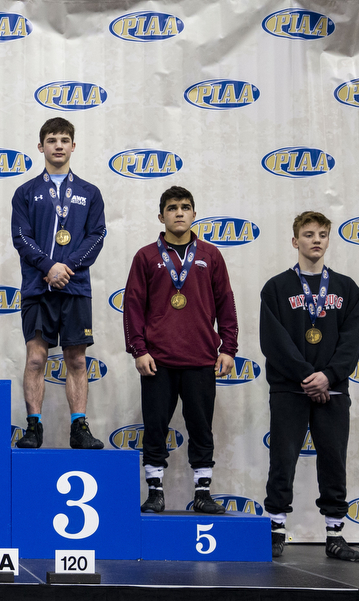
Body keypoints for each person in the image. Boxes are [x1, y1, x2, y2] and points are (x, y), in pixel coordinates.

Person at [122, 186, 237, 514]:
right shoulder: (146, 256)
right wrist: (138, 350)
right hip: (157, 360)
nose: (179, 213)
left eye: (186, 207)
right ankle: (155, 492)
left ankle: (203, 492)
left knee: (201, 427)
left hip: (201, 357)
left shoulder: (211, 255)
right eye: (172, 208)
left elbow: (225, 302)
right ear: (161, 216)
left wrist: (228, 347)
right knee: (155, 426)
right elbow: (133, 306)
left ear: (194, 214)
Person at [261, 211, 359, 561]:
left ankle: (335, 534)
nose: (316, 240)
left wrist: (329, 376)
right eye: (308, 234)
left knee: (333, 460)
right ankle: (276, 530)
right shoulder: (276, 288)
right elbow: (273, 342)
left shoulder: (347, 289)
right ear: (295, 241)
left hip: (333, 390)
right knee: (283, 458)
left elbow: (351, 342)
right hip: (290, 389)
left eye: (322, 234)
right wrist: (309, 376)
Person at [12, 118, 107, 450]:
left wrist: (67, 267)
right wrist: (49, 266)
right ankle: (33, 426)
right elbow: (21, 237)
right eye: (51, 140)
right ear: (41, 147)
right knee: (36, 358)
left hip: (75, 288)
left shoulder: (89, 193)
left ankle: (79, 427)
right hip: (38, 288)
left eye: (64, 140)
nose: (58, 145)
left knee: (77, 360)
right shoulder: (25, 192)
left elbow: (96, 237)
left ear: (73, 146)